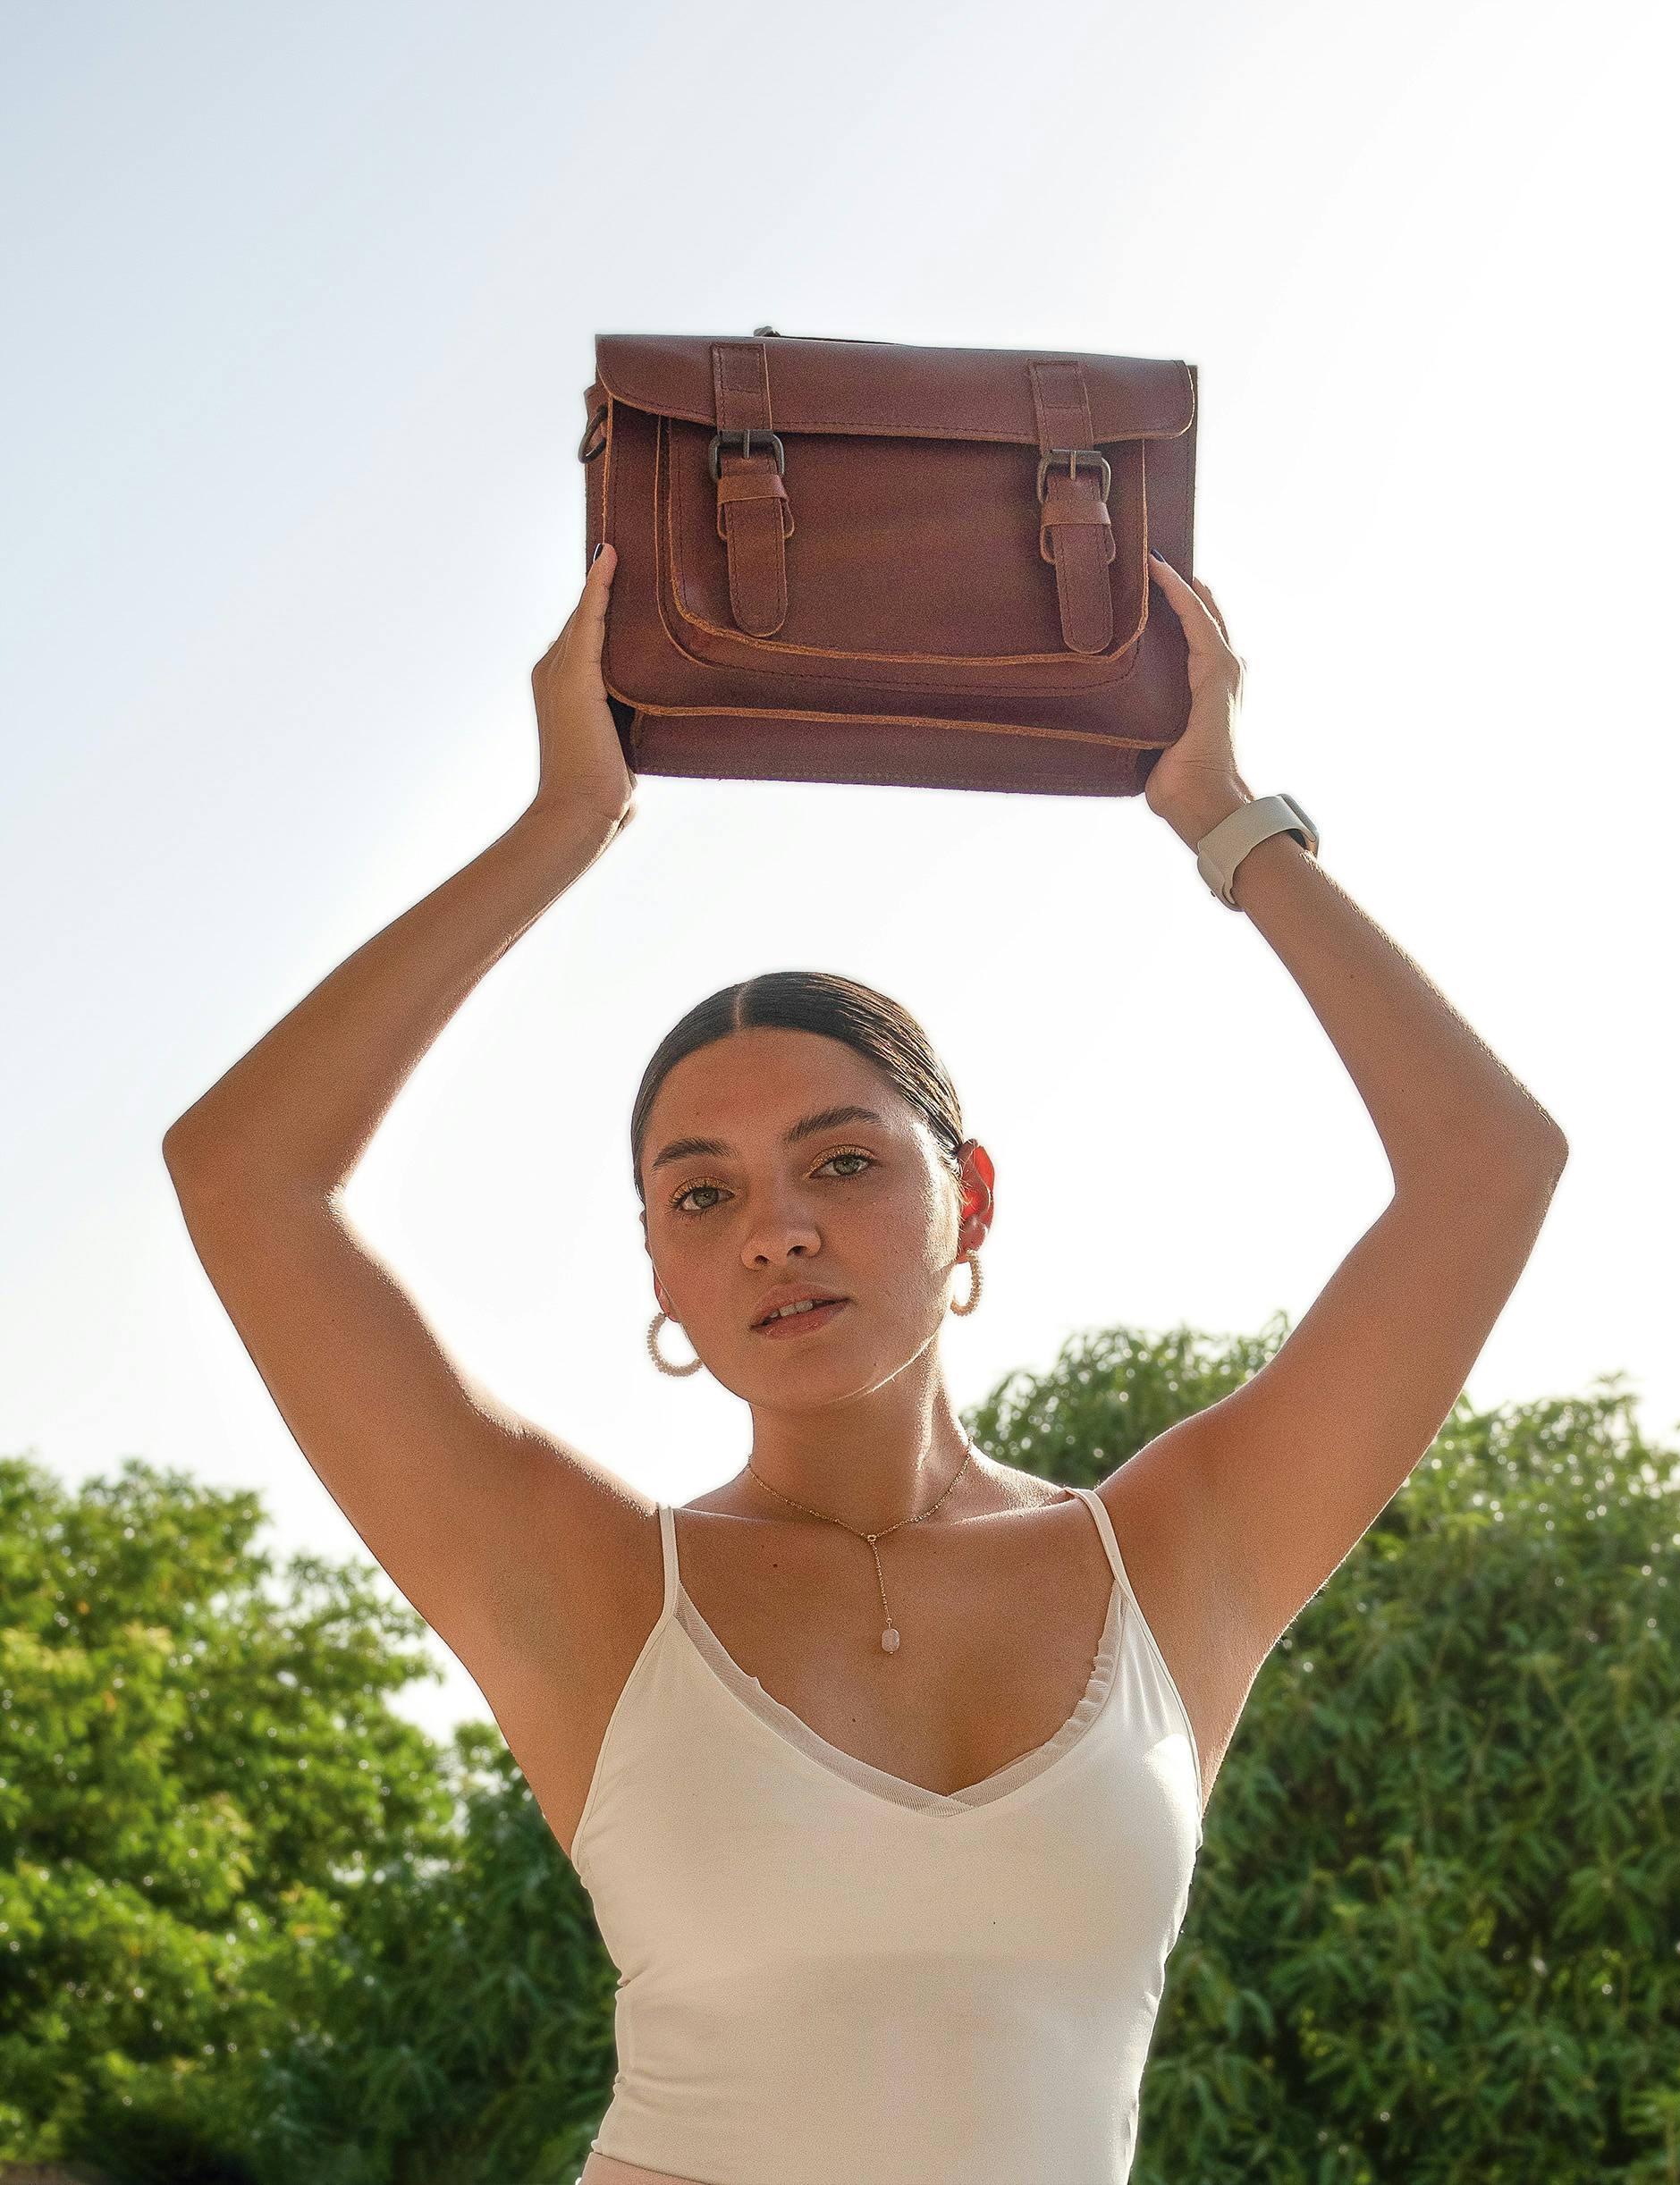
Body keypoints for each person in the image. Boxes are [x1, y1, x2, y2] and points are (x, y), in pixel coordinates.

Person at [162, 538, 1567, 2185]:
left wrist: (1224, 814)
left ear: (971, 1199)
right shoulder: (591, 1588)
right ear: (660, 1269)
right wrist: (565, 822)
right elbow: (243, 1176)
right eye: (704, 1194)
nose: (777, 1231)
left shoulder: (1182, 1554)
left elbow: (1490, 1169)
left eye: (841, 1163)